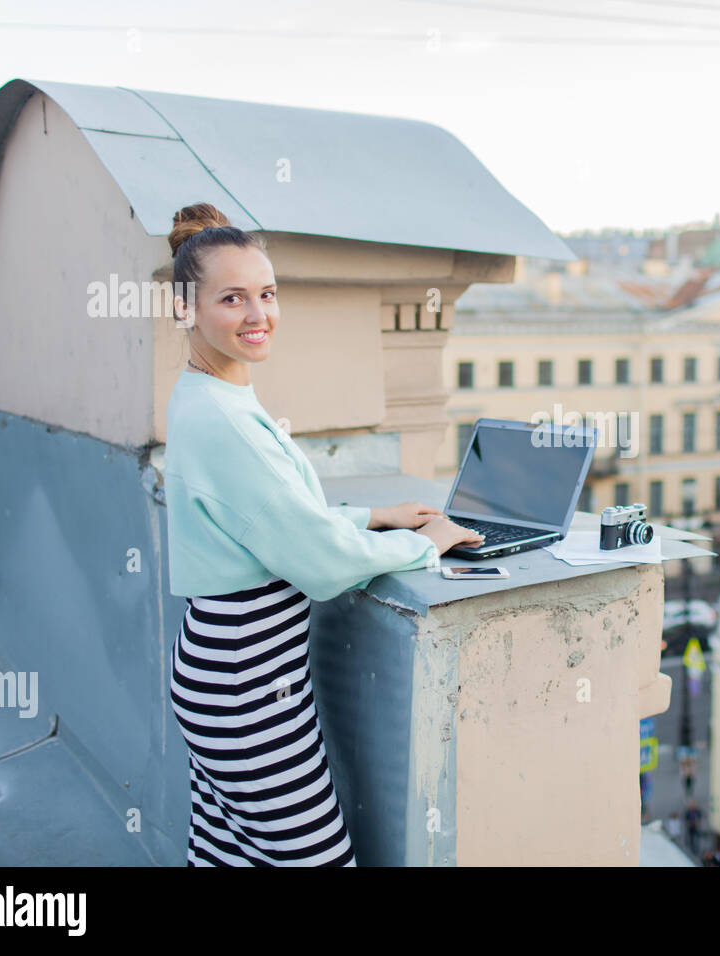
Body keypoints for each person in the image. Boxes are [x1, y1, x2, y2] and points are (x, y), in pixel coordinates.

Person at [163, 203, 484, 866]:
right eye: (232, 298)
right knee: (316, 859)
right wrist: (429, 543)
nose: (258, 315)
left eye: (267, 294)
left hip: (228, 678)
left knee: (228, 855)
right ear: (184, 308)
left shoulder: (206, 394)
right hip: (247, 692)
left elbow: (272, 522)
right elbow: (320, 561)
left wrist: (371, 516)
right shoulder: (223, 419)